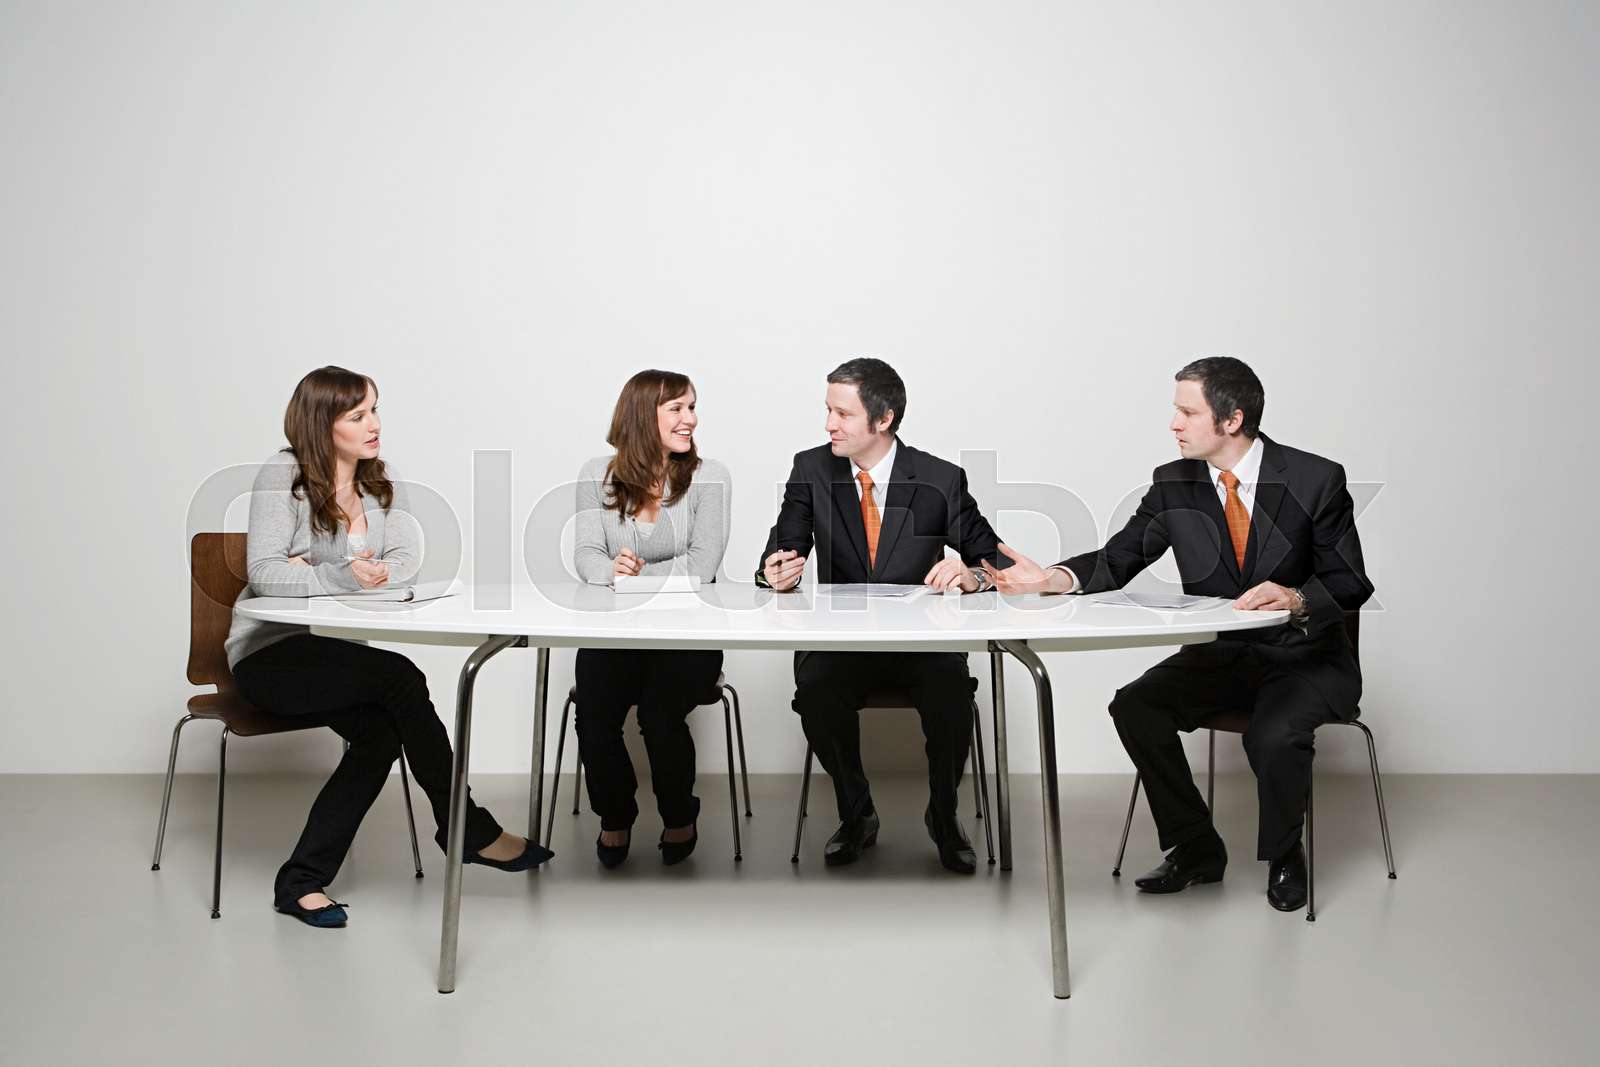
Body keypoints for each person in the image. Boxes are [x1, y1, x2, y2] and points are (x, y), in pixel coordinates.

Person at [987, 357, 1373, 912]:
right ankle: (1195, 847)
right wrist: (1054, 578)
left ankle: (1287, 855)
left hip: (1307, 659)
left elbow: (1349, 579)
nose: (1174, 424)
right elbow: (1121, 557)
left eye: (1187, 411)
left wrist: (1295, 598)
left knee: (1274, 734)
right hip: (1224, 658)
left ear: (1232, 419)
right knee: (1135, 707)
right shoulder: (1174, 484)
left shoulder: (1316, 478)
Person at [225, 366, 551, 928]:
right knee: (401, 676)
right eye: (358, 416)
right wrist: (344, 574)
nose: (374, 424)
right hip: (271, 655)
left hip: (335, 653)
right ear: (321, 423)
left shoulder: (381, 480)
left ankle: (300, 882)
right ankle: (467, 828)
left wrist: (331, 568)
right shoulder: (284, 476)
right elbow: (265, 572)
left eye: (375, 410)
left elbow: (403, 561)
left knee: (380, 732)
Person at [756, 357, 1007, 874]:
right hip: (841, 643)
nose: (829, 424)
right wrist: (773, 571)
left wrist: (971, 576)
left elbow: (996, 561)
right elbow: (781, 548)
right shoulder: (811, 469)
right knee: (816, 692)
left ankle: (943, 815)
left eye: (842, 414)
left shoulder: (939, 478)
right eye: (828, 410)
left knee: (952, 698)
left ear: (883, 419)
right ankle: (857, 813)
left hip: (923, 644)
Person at [572, 370, 731, 867]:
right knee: (595, 716)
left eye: (692, 407)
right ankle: (614, 816)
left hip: (689, 632)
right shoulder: (596, 475)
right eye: (678, 408)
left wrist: (631, 577)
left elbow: (703, 568)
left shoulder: (710, 477)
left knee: (660, 716)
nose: (691, 418)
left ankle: (680, 815)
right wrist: (612, 569)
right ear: (644, 416)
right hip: (616, 631)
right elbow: (585, 554)